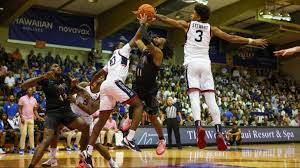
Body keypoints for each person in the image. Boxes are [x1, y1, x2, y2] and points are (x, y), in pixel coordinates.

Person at [156, 4, 267, 151]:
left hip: (191, 64)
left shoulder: (187, 26)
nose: (191, 14)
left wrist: (155, 15)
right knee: (211, 100)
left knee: (194, 97)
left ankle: (198, 127)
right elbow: (231, 38)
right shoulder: (211, 29)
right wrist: (252, 41)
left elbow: (168, 20)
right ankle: (219, 132)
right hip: (206, 65)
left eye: (193, 13)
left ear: (198, 16)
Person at [80, 15, 149, 168]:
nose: (126, 45)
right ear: (119, 46)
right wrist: (143, 24)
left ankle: (88, 152)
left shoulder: (111, 59)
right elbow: (136, 37)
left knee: (102, 120)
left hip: (106, 86)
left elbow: (99, 73)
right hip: (114, 83)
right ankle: (129, 138)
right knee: (138, 105)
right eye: (123, 44)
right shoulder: (122, 50)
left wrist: (91, 84)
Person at [21, 64, 91, 168]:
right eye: (55, 66)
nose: (58, 67)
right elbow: (24, 85)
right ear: (50, 70)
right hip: (52, 113)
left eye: (59, 66)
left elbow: (78, 90)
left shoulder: (65, 78)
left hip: (66, 111)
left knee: (85, 126)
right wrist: (43, 76)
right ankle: (32, 166)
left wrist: (80, 89)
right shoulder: (45, 80)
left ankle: (83, 159)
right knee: (47, 139)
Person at [41, 79, 118, 168]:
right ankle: (52, 158)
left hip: (86, 119)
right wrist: (70, 88)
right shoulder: (85, 85)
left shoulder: (101, 96)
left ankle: (111, 162)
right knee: (55, 129)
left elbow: (90, 111)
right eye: (98, 80)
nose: (98, 81)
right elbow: (70, 89)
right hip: (72, 113)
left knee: (96, 145)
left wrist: (75, 101)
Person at [128, 20, 173, 155]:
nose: (158, 38)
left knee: (153, 117)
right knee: (132, 106)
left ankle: (161, 140)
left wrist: (144, 24)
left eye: (160, 39)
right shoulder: (147, 50)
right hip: (137, 85)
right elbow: (137, 39)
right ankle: (129, 123)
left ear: (162, 46)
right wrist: (142, 25)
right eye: (159, 37)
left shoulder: (158, 53)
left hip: (149, 90)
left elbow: (145, 39)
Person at [18, 87, 43, 155]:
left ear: (32, 92)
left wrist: (38, 117)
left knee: (31, 134)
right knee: (23, 134)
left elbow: (35, 110)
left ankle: (32, 148)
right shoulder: (22, 98)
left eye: (31, 90)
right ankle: (22, 149)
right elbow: (19, 109)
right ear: (26, 91)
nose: (30, 91)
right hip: (23, 118)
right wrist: (21, 117)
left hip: (31, 118)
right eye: (28, 90)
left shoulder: (34, 99)